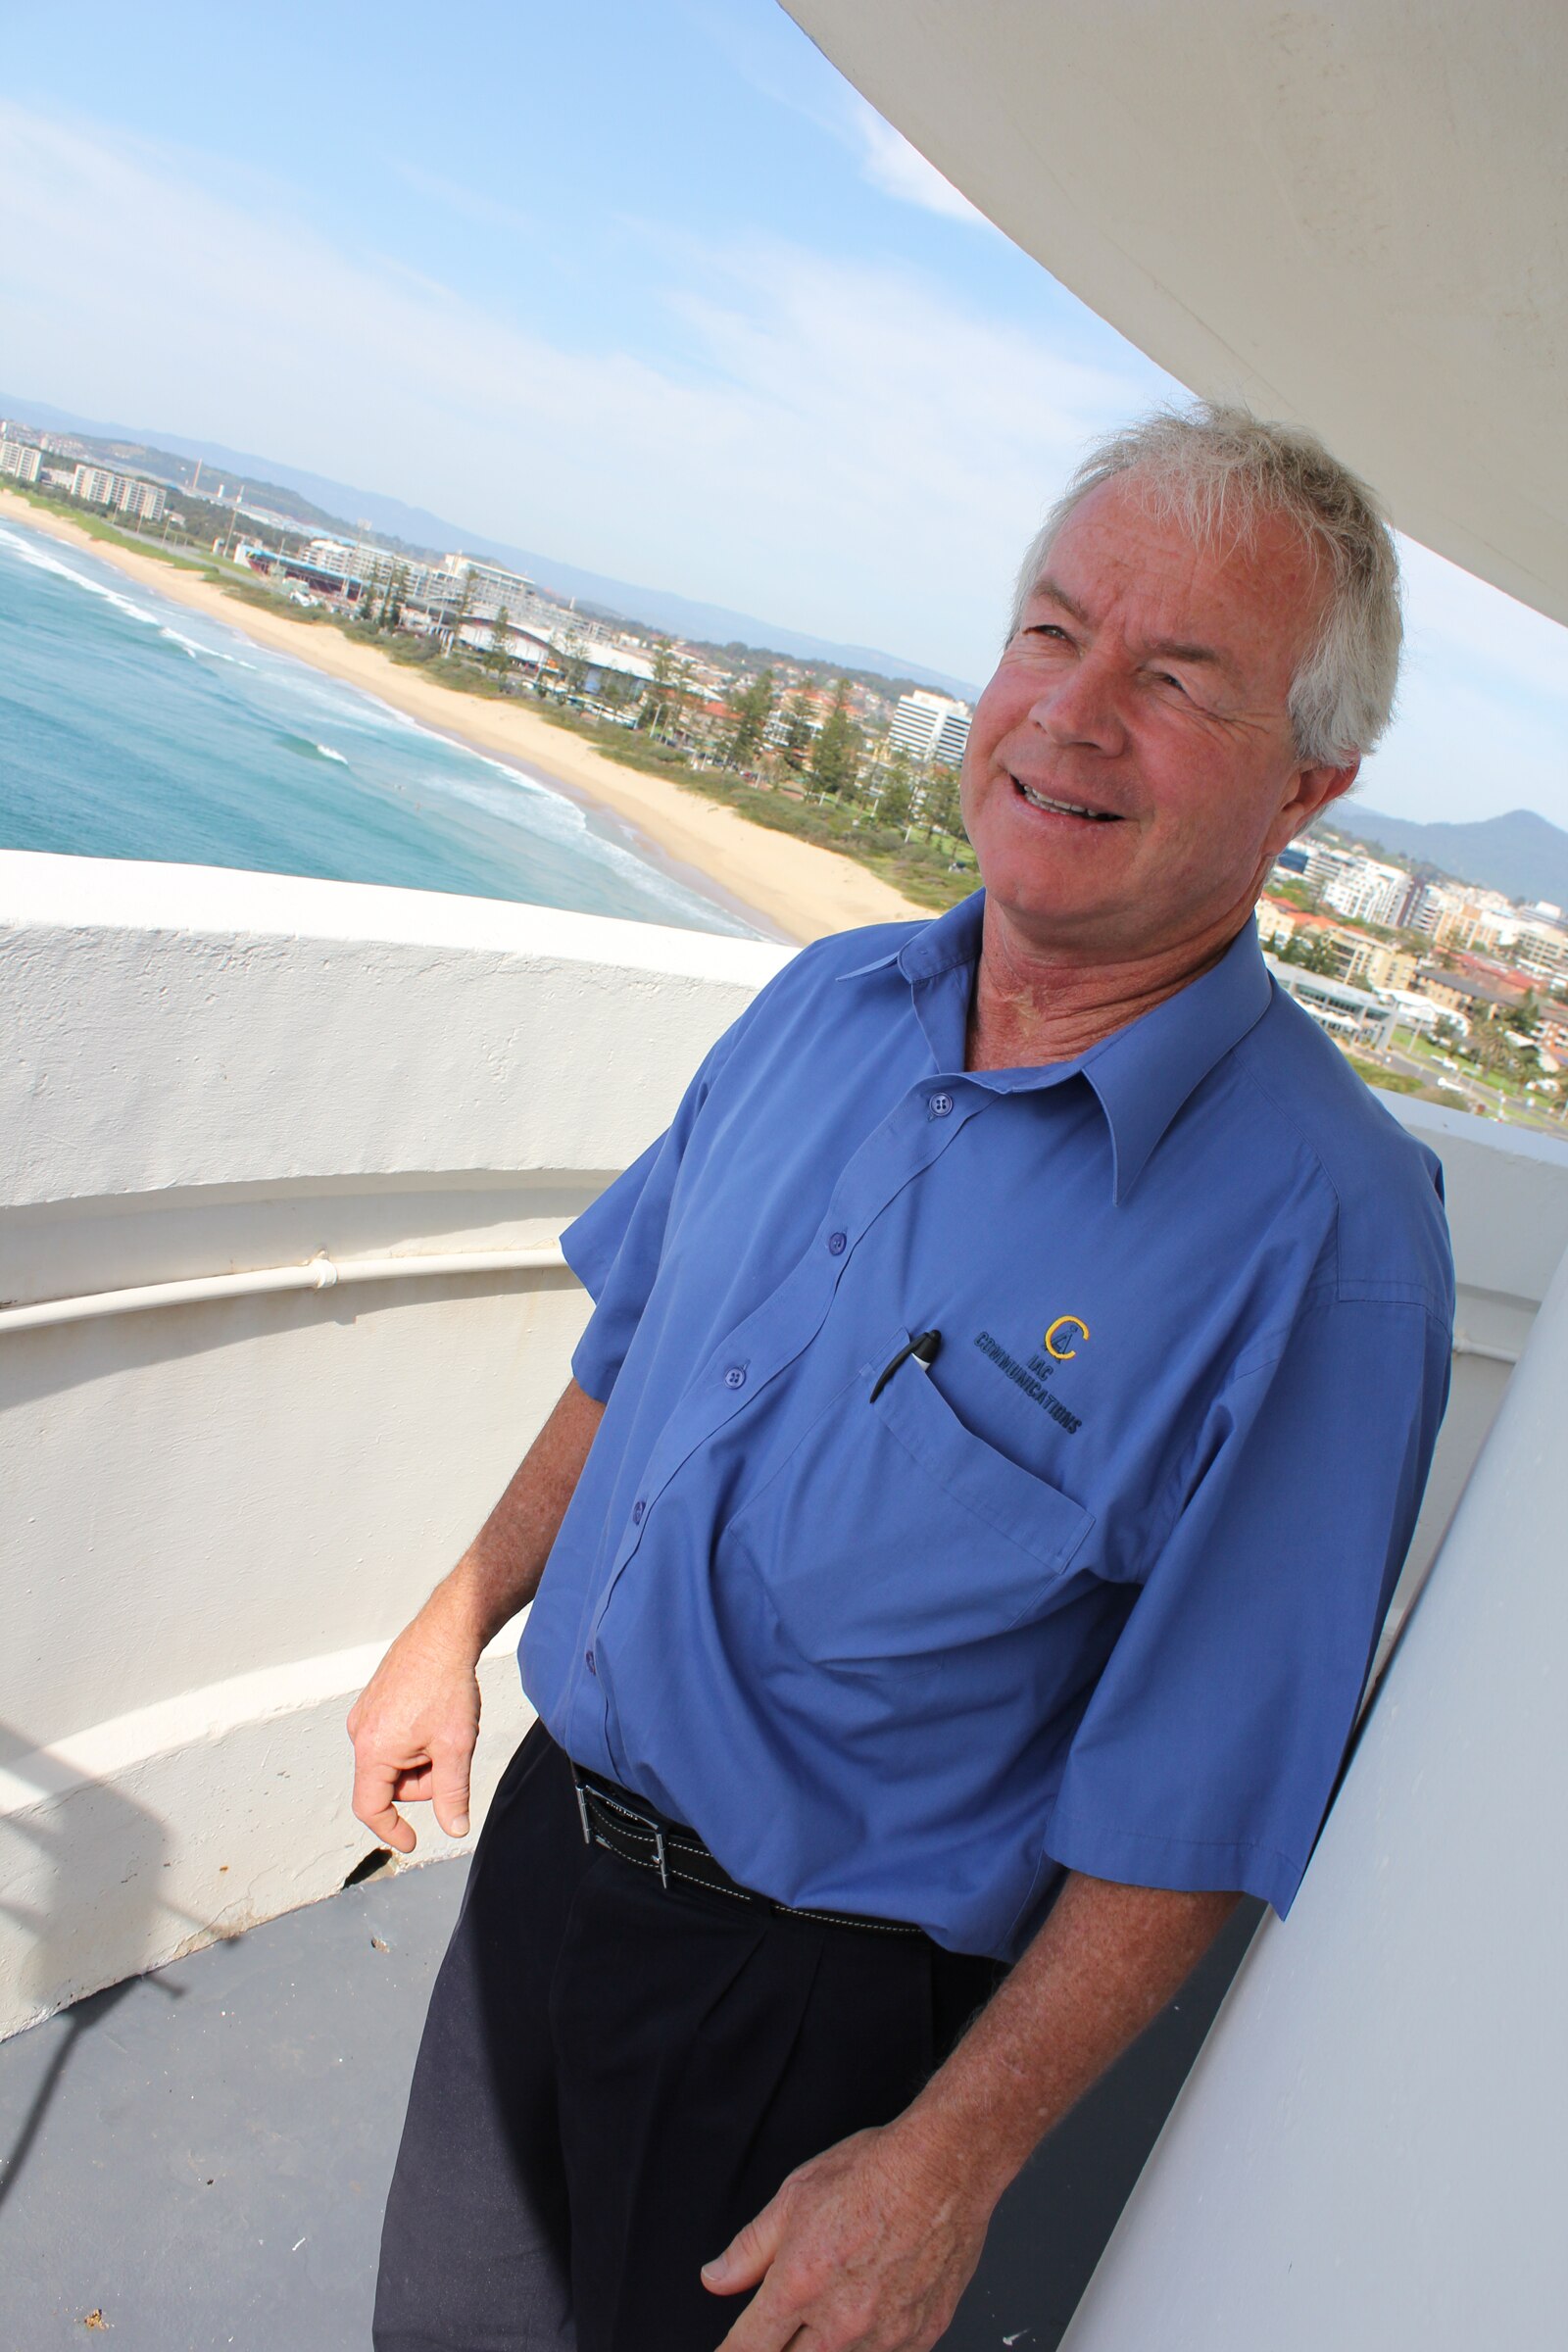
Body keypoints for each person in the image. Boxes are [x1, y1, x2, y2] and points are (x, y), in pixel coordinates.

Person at [355, 403, 1453, 2352]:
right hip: (542, 1856)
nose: (1073, 714)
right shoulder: (823, 1007)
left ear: (1306, 786)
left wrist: (947, 2162)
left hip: (808, 2025)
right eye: (1053, 632)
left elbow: (1197, 1793)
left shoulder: (1326, 1238)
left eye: (1176, 678)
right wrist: (456, 1619)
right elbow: (630, 1358)